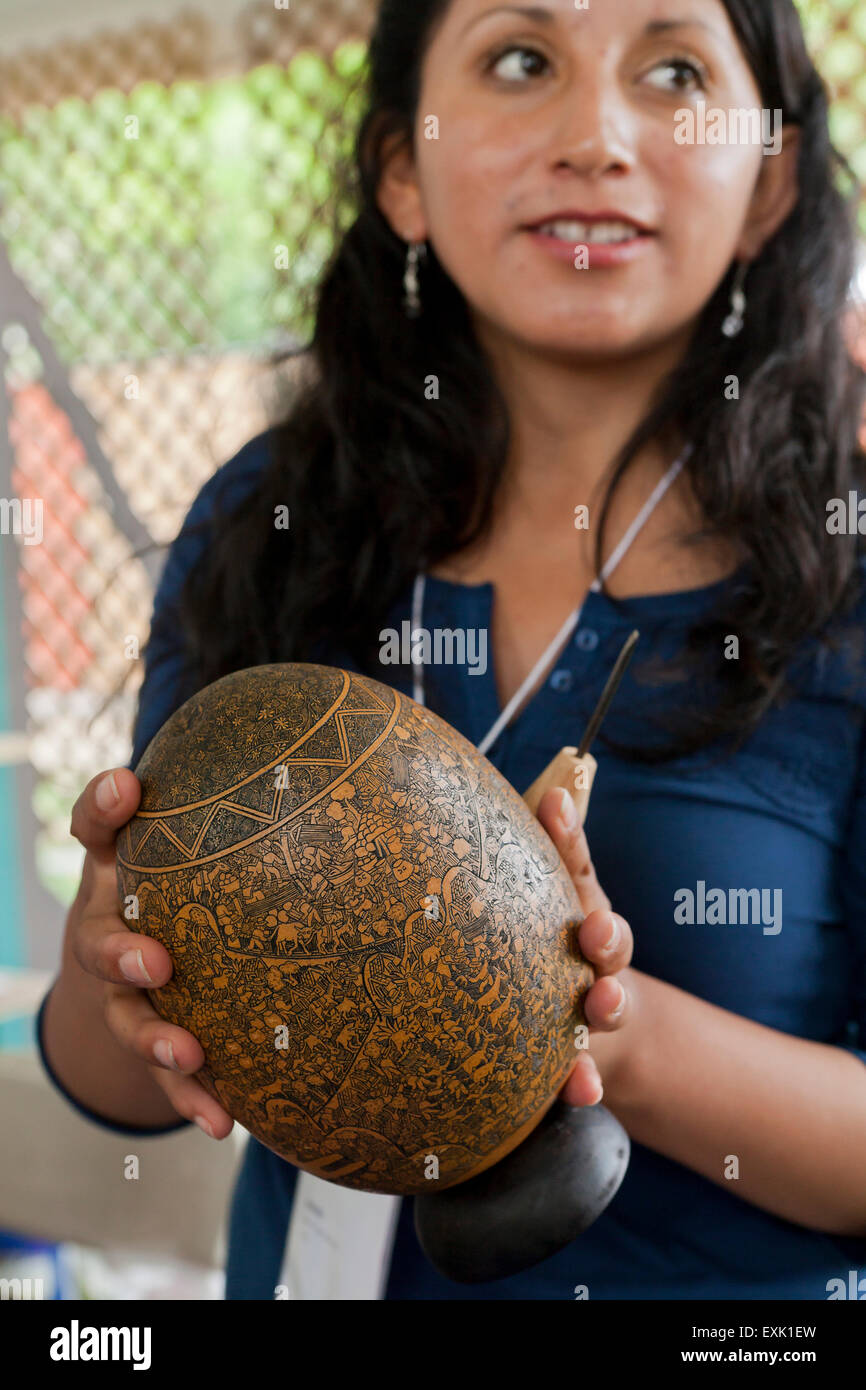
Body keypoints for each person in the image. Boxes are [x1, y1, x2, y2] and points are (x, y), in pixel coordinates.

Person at [37, 0, 866, 1299]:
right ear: (402, 175)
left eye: (671, 69)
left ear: (765, 181)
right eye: (521, 59)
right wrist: (118, 967)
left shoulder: (847, 560)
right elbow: (120, 1089)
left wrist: (603, 1030)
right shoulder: (269, 521)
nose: (593, 132)